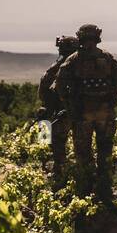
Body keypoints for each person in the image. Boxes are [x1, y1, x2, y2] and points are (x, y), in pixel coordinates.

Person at [56, 23, 117, 194]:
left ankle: (85, 189)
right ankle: (104, 187)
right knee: (105, 150)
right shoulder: (107, 57)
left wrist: (70, 105)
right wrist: (109, 97)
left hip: (82, 115)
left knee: (83, 153)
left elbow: (60, 86)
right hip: (105, 113)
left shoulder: (73, 60)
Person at [39, 34, 79, 175]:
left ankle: (58, 166)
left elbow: (44, 85)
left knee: (55, 134)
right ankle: (47, 157)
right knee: (44, 119)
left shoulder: (65, 64)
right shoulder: (80, 62)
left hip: (70, 109)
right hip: (72, 107)